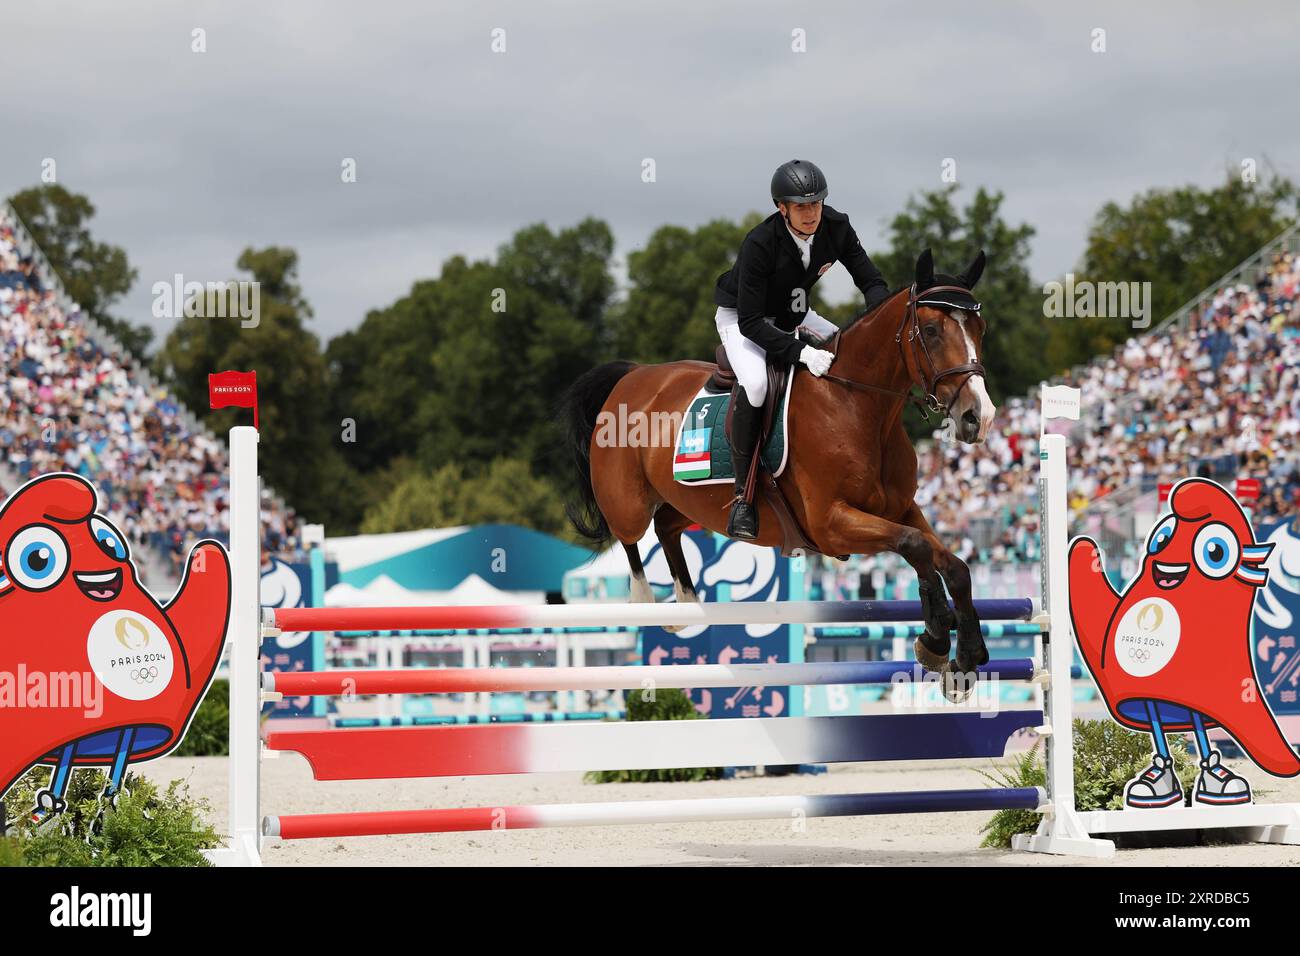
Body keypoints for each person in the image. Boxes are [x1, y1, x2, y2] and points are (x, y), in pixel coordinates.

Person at [713, 159, 890, 539]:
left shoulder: (837, 226)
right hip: (744, 319)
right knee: (758, 384)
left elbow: (872, 282)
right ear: (782, 208)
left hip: (795, 313)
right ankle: (742, 497)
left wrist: (878, 326)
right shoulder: (760, 243)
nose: (811, 214)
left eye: (816, 204)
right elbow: (752, 322)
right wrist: (803, 354)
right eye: (801, 207)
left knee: (847, 357)